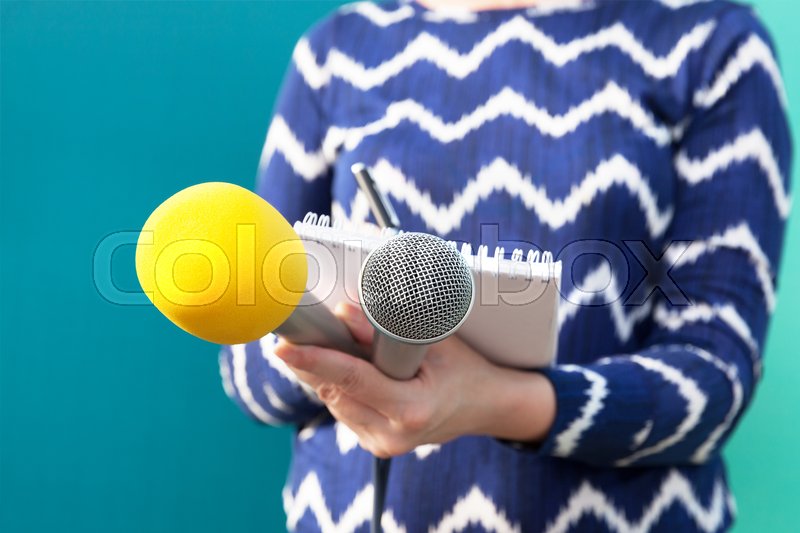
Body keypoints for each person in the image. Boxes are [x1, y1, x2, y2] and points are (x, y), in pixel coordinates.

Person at [219, 0, 792, 530]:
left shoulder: (710, 42)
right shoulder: (337, 49)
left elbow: (714, 383)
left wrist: (490, 401)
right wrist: (347, 341)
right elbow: (249, 375)